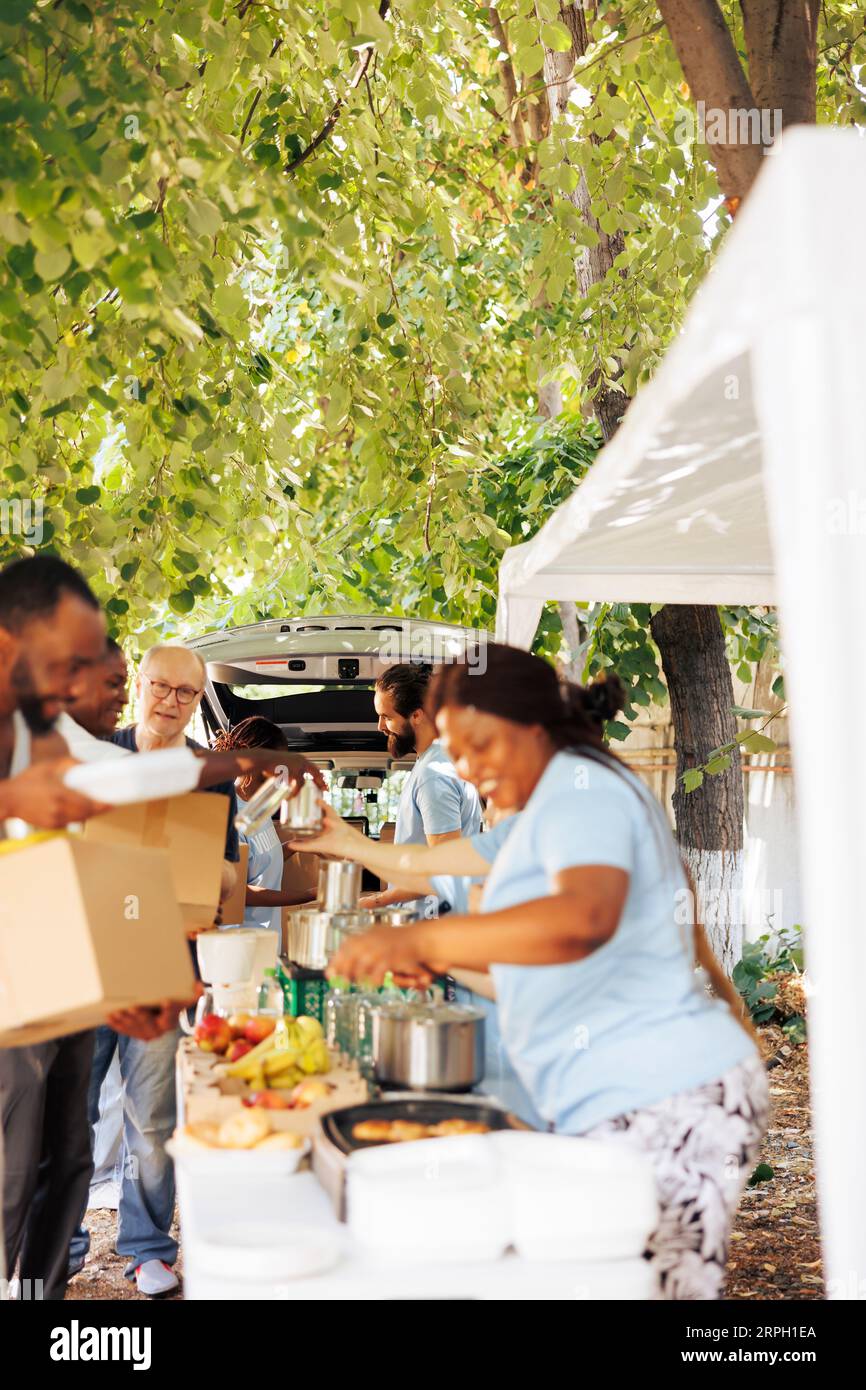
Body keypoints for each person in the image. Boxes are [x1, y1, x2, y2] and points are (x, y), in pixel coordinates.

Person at [327, 643, 769, 1301]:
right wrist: (426, 944)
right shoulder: (548, 806)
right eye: (457, 750)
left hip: (668, 1097)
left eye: (480, 744)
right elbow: (441, 864)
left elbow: (581, 917)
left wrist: (427, 936)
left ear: (533, 724)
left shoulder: (576, 793)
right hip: (625, 1097)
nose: (468, 770)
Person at [0, 556, 115, 1302]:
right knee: (10, 1162)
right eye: (68, 660)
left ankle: (39, 1299)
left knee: (67, 1154)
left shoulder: (36, 722)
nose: (78, 682)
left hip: (53, 957)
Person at [367, 661, 481, 915]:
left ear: (417, 715)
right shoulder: (440, 761)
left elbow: (444, 869)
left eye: (387, 717)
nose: (380, 726)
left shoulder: (433, 775)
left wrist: (374, 902)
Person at [211, 716, 318, 943]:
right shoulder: (228, 812)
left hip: (267, 939)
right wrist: (307, 896)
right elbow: (239, 891)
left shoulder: (260, 807)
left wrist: (293, 846)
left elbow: (258, 861)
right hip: (239, 943)